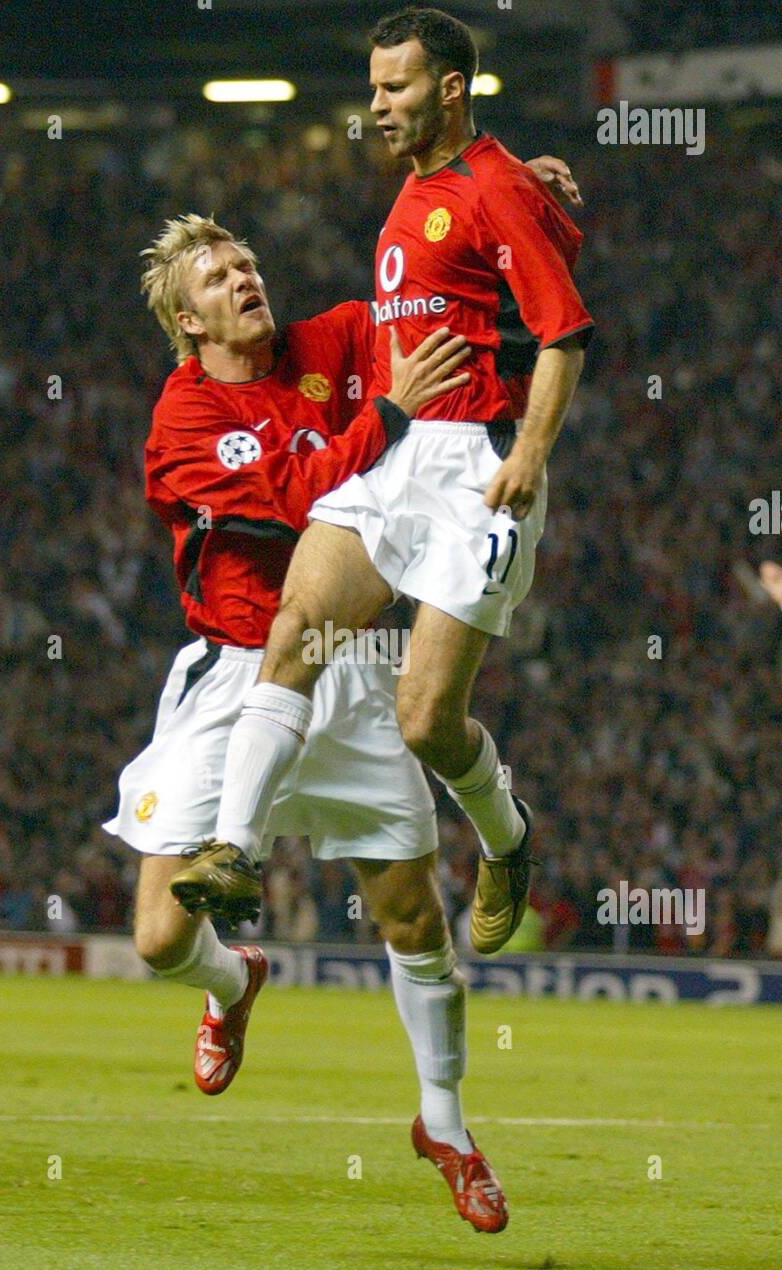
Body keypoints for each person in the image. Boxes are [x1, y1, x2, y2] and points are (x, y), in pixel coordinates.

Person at [108, 147, 582, 1232]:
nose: (246, 279)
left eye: (247, 263)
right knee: (156, 942)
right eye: (220, 278)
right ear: (191, 322)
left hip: (354, 669)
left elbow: (435, 315)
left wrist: (521, 214)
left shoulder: (332, 339)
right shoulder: (181, 421)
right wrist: (385, 424)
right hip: (237, 675)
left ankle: (447, 1124)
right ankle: (236, 985)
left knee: (412, 912)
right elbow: (298, 496)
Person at [176, 6, 594, 976]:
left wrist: (530, 450)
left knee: (424, 720)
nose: (375, 107)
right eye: (372, 88)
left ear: (450, 88)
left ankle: (504, 833)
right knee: (295, 631)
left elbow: (565, 332)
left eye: (394, 88)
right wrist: (522, 183)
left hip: (475, 468)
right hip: (394, 454)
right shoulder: (429, 190)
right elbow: (481, 219)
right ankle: (234, 851)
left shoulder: (492, 188)